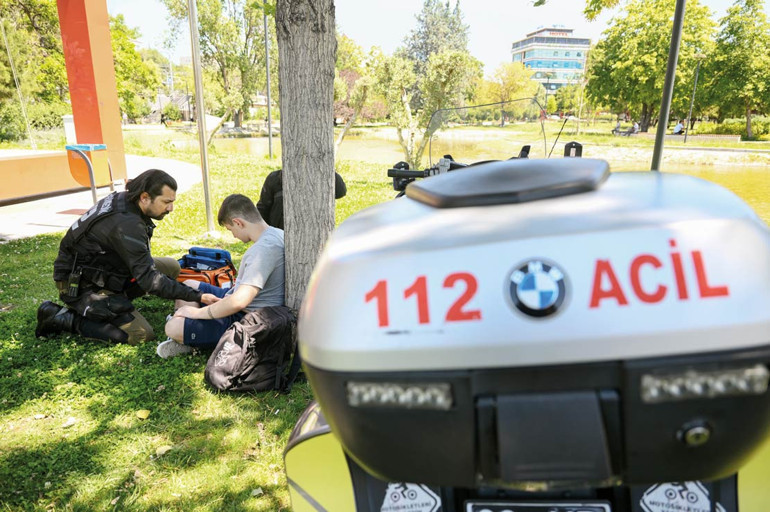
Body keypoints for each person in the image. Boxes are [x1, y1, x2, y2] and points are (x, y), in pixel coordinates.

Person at [35, 169, 220, 345]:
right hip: (81, 284)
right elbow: (150, 281)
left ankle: (120, 299)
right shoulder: (127, 224)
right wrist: (199, 295)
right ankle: (60, 318)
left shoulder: (125, 200)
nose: (171, 208)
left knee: (171, 267)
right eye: (166, 202)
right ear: (145, 197)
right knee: (140, 334)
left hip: (107, 269)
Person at [157, 194, 285, 358]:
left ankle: (186, 333)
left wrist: (196, 313)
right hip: (238, 301)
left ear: (238, 222)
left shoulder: (263, 251)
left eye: (231, 229)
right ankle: (189, 329)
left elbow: (239, 302)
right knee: (188, 284)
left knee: (172, 327)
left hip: (247, 318)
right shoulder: (276, 234)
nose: (233, 236)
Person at [257, 169, 346, 230]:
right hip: (280, 236)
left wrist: (328, 168)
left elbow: (340, 192)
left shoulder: (320, 176)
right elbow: (262, 209)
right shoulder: (275, 178)